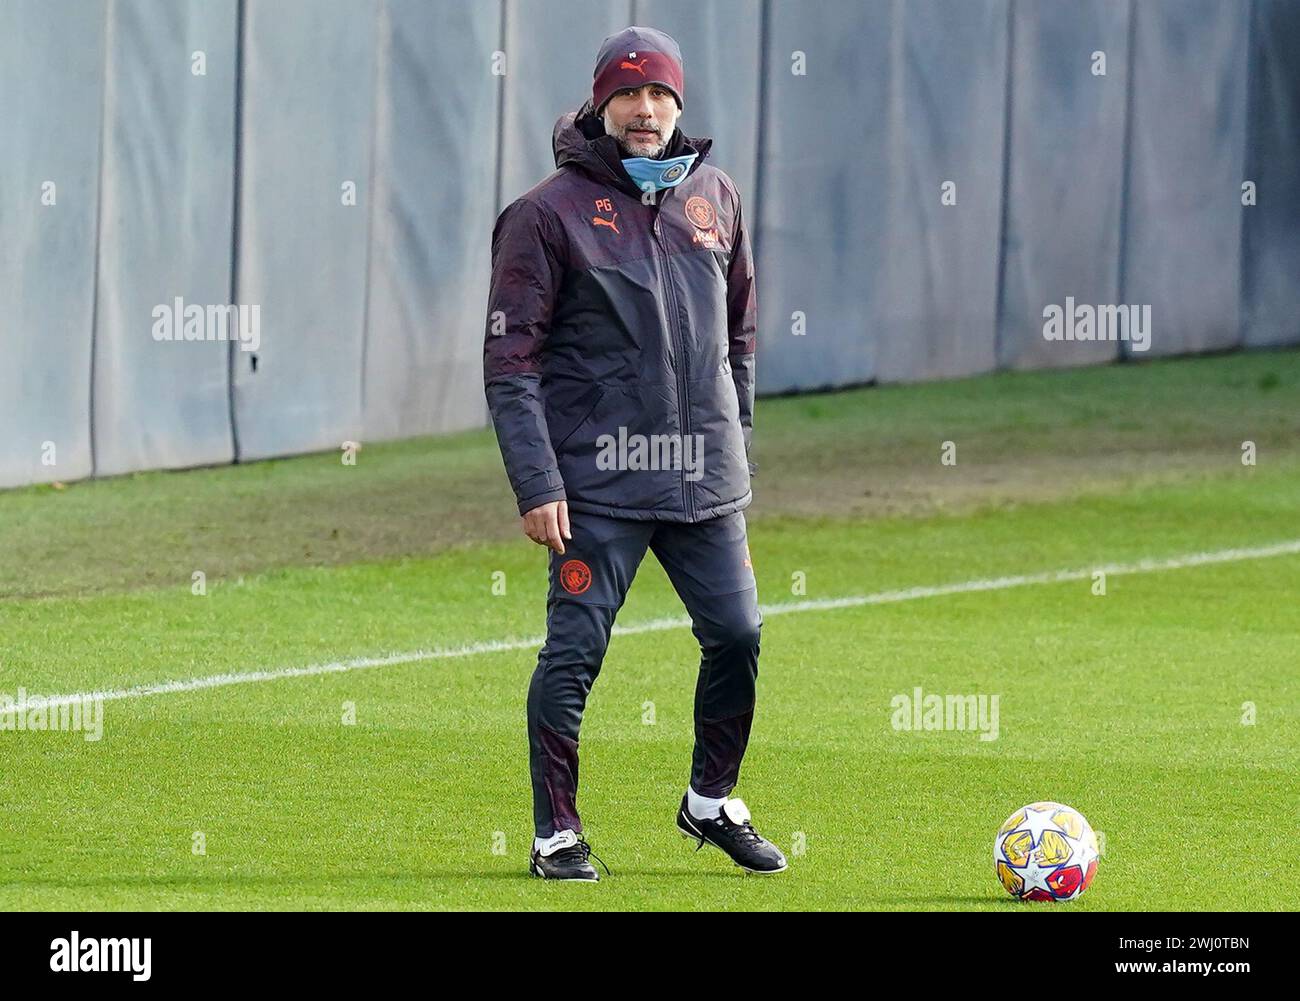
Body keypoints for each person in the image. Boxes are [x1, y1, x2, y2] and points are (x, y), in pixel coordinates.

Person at [484, 25, 785, 881]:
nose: (645, 109)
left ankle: (710, 800)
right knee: (574, 658)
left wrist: (738, 447)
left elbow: (742, 335)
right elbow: (510, 363)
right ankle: (557, 834)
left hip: (704, 482)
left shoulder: (715, 196)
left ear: (679, 104)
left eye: (660, 94)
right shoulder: (545, 214)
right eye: (628, 93)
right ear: (601, 104)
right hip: (598, 487)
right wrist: (537, 480)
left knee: (737, 634)